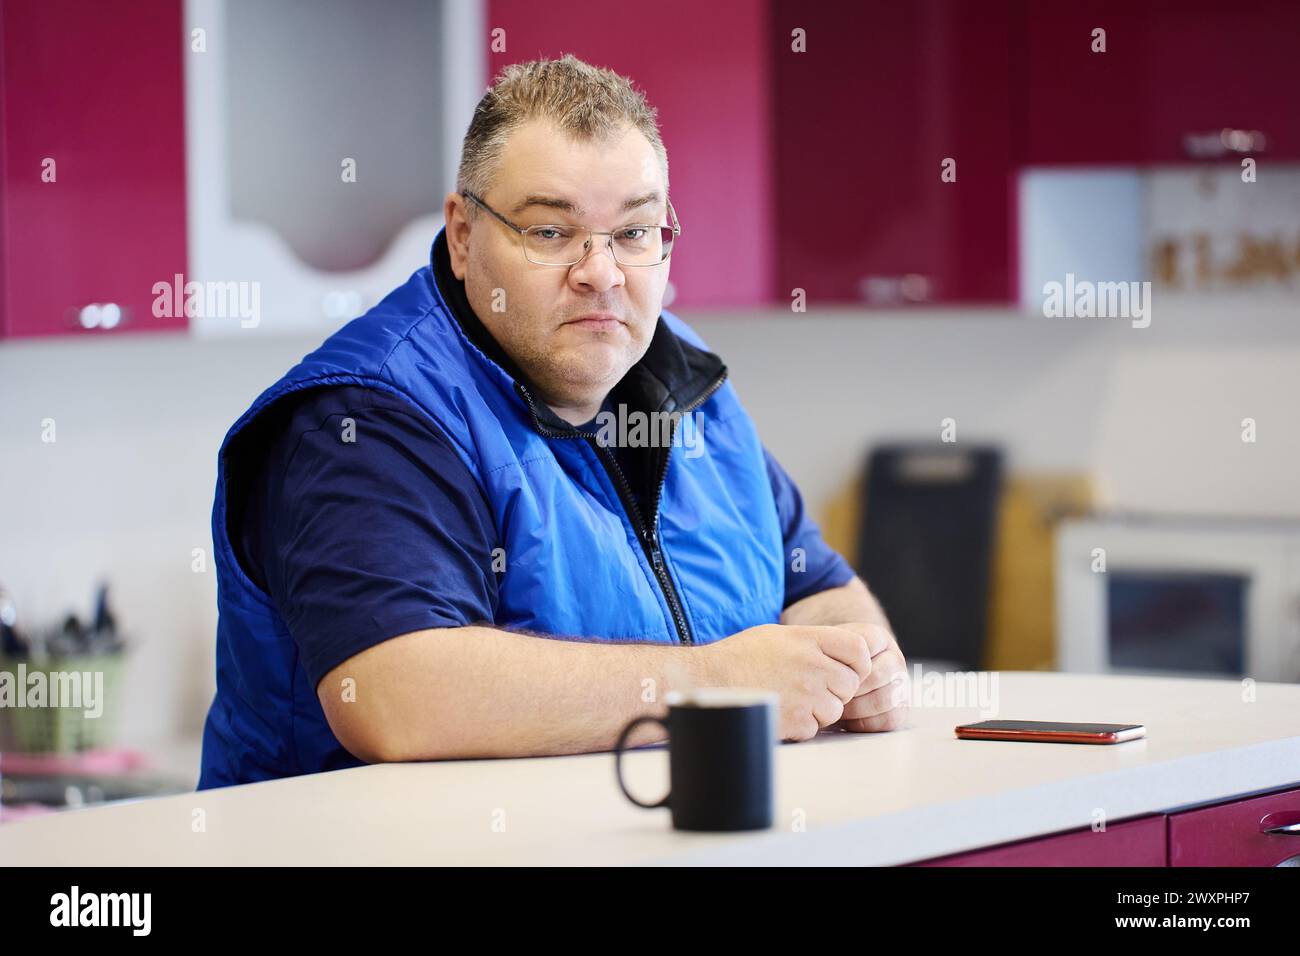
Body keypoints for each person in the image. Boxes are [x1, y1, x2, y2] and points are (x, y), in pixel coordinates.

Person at [198, 55, 908, 789]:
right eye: (550, 232)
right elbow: (397, 698)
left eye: (634, 232)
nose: (601, 272)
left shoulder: (686, 377)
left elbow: (814, 588)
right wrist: (718, 682)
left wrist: (859, 663)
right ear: (464, 235)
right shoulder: (366, 417)